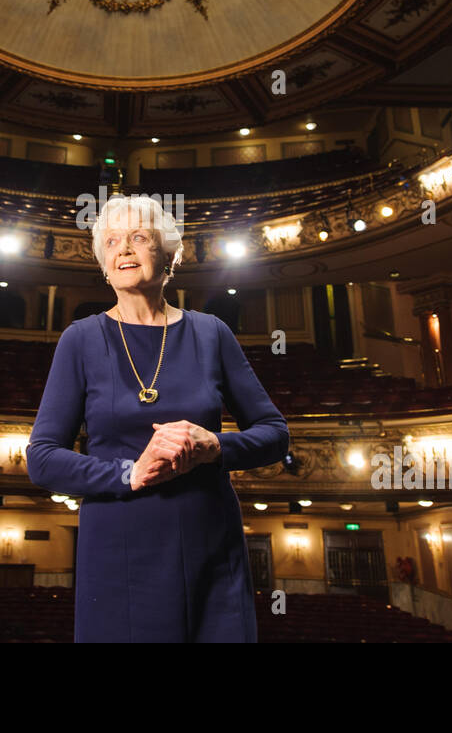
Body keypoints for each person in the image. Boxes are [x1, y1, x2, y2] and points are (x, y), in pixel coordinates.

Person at [27, 195, 289, 641]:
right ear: (103, 264)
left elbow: (275, 435)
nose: (123, 249)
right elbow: (43, 459)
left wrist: (214, 446)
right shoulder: (80, 339)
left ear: (170, 255)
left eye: (139, 237)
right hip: (117, 547)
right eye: (111, 241)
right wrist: (130, 472)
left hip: (210, 541)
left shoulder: (212, 333)